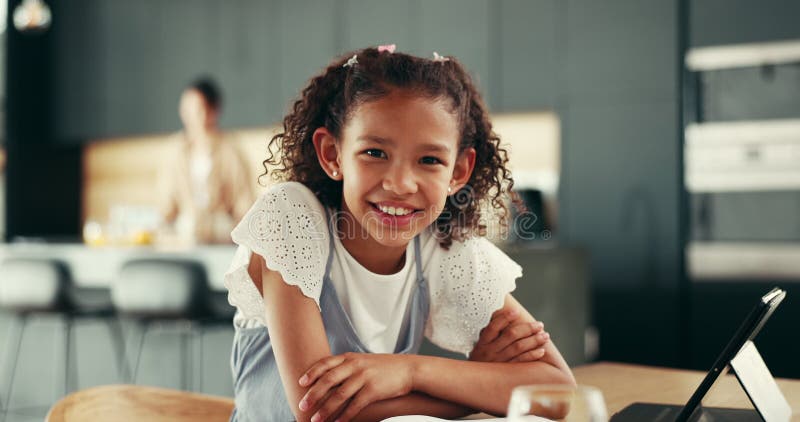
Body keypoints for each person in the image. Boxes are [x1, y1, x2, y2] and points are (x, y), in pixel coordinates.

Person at [223, 46, 575, 421]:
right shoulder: (292, 216)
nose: (400, 184)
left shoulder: (442, 250)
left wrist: (410, 372)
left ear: (458, 172)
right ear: (332, 153)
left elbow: (556, 390)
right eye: (375, 152)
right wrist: (480, 388)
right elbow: (319, 411)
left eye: (429, 160)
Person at [158, 77, 255, 244]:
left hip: (222, 230)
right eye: (186, 110)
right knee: (187, 225)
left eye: (197, 110)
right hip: (185, 229)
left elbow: (244, 204)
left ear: (213, 111)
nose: (190, 117)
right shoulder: (176, 151)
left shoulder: (231, 151)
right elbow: (166, 204)